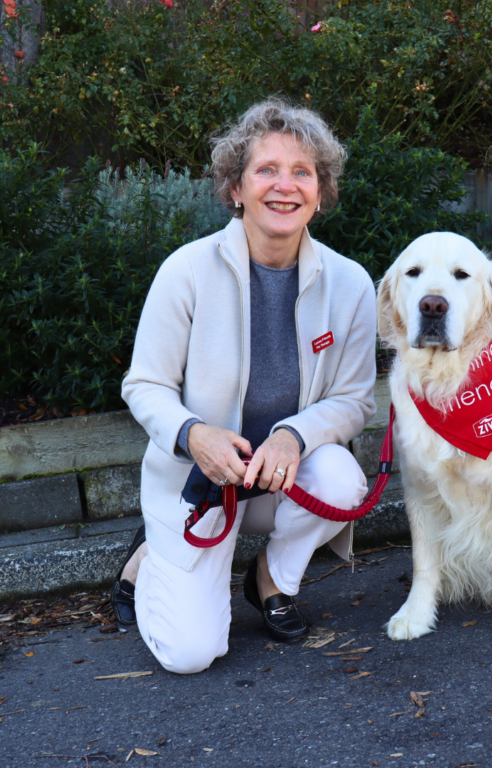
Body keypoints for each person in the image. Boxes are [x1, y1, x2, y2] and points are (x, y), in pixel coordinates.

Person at [111, 99, 377, 675]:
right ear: (235, 188)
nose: (285, 187)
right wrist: (194, 434)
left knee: (341, 478)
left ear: (321, 192)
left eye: (302, 172)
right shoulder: (185, 271)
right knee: (191, 655)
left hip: (282, 482)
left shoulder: (352, 285)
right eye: (267, 170)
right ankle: (152, 554)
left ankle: (270, 583)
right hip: (200, 484)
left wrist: (294, 436)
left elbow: (355, 399)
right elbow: (144, 384)